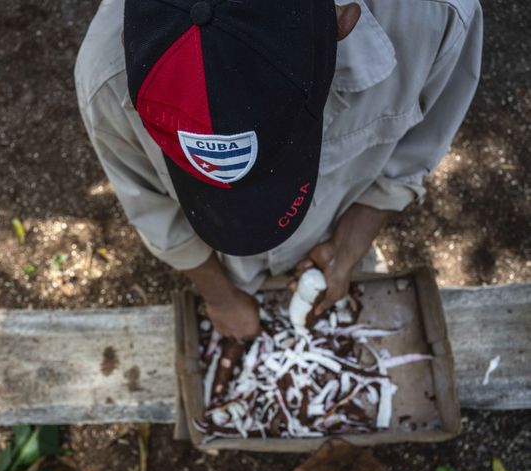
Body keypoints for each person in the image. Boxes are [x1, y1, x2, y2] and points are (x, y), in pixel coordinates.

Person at [75, 0, 481, 341]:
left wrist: (353, 239)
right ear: (132, 45)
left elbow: (420, 143)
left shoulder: (435, 16)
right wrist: (219, 295)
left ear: (341, 25)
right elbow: (148, 201)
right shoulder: (107, 76)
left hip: (333, 228)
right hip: (233, 271)